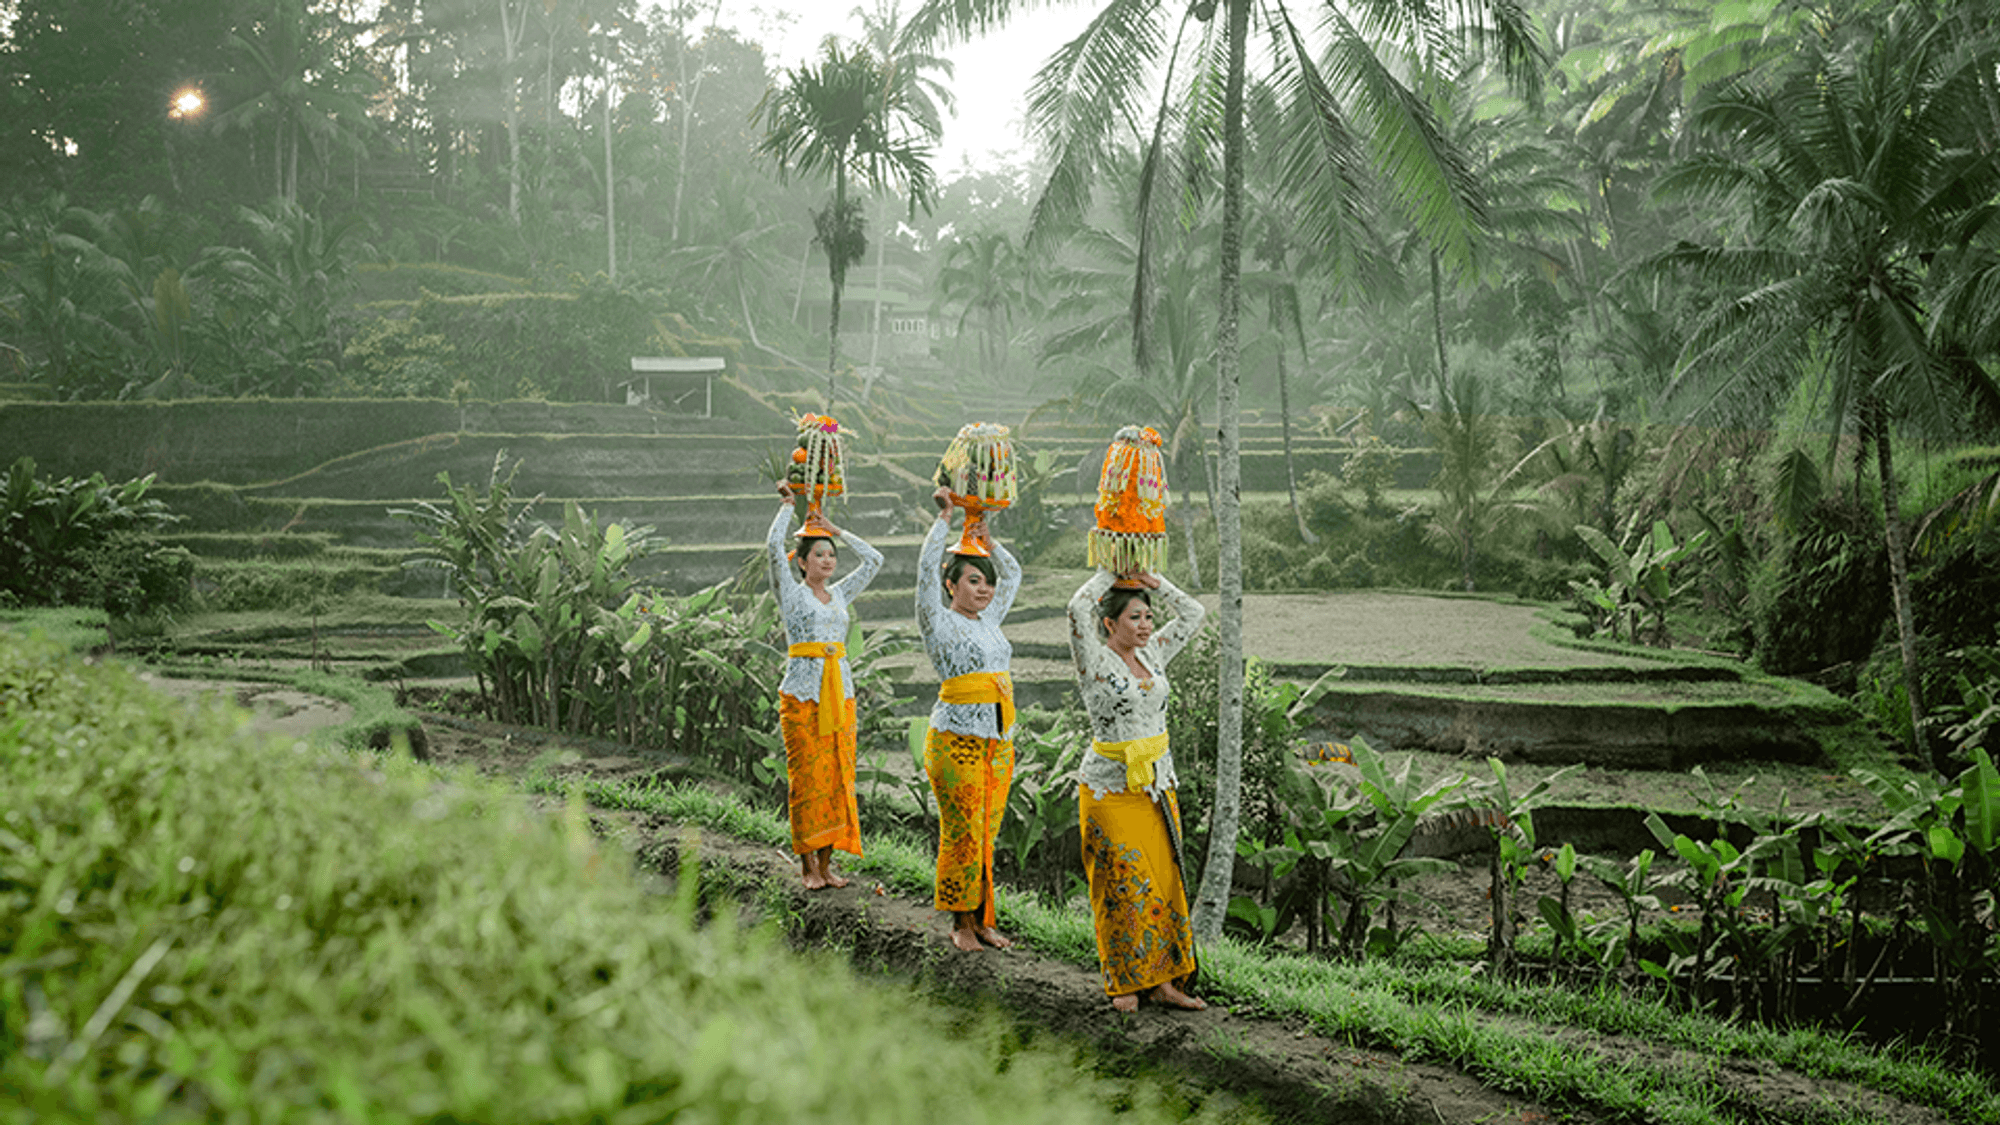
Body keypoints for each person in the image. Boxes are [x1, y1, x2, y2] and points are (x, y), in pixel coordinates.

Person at [1067, 567, 1208, 1012]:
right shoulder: (1094, 658)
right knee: (1121, 883)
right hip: (1110, 788)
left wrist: (1152, 579)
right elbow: (1075, 608)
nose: (1146, 625)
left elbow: (1193, 613)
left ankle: (1165, 982)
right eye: (1135, 618)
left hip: (1155, 785)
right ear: (1109, 623)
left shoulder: (1155, 654)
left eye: (1148, 617)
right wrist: (1110, 571)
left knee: (1163, 884)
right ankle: (1125, 980)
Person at [916, 485, 1021, 951]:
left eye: (986, 582)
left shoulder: (990, 620)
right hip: (955, 738)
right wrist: (945, 520)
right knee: (962, 832)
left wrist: (986, 535)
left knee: (986, 834)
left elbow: (1014, 572)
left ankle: (983, 920)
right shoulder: (938, 620)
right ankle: (960, 923)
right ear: (950, 584)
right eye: (973, 580)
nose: (984, 589)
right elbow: (922, 571)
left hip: (998, 739)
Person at [768, 483, 883, 890]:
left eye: (831, 554)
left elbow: (874, 560)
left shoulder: (838, 595)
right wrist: (788, 507)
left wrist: (837, 530)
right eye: (820, 553)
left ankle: (828, 864)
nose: (829, 559)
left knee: (836, 777)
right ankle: (807, 868)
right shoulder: (793, 596)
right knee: (807, 780)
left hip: (841, 692)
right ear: (801, 562)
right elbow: (771, 548)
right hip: (803, 693)